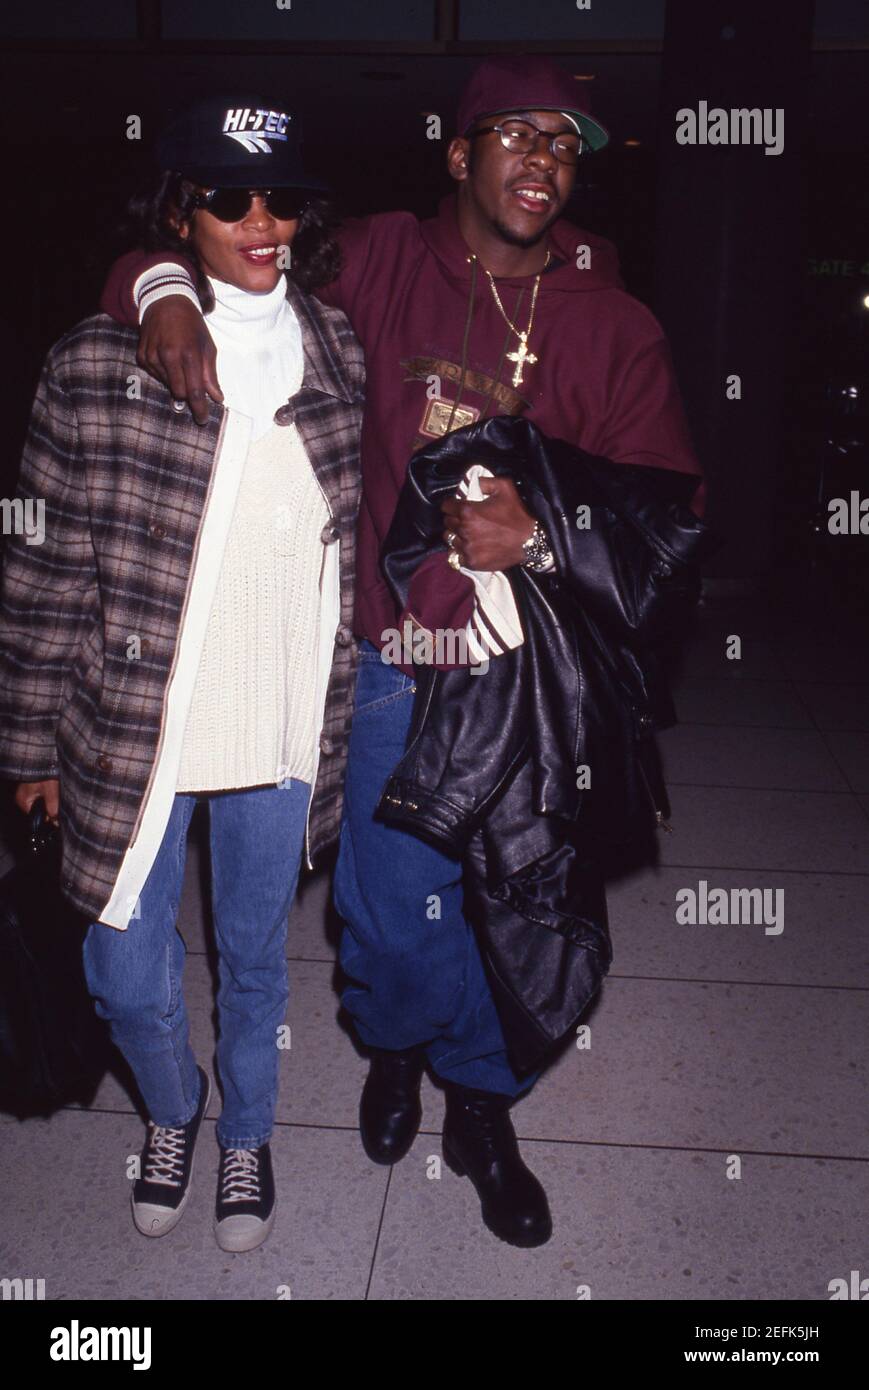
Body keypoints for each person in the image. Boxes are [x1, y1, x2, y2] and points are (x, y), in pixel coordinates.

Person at [98, 57, 704, 1247]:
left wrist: (542, 536)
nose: (541, 162)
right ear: (458, 154)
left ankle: (478, 1104)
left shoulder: (614, 321)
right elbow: (236, 259)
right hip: (392, 661)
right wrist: (156, 284)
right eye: (514, 137)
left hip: (536, 679)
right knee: (386, 922)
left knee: (516, 905)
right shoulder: (374, 260)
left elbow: (669, 517)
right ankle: (394, 1049)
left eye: (563, 145)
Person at [0, 97, 364, 1253]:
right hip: (133, 725)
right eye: (226, 198)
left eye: (281, 199)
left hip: (277, 720)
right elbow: (44, 572)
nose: (261, 221)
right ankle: (176, 1106)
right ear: (177, 212)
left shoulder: (341, 349)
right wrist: (24, 746)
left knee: (255, 956)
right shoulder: (98, 360)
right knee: (122, 969)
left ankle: (245, 1129)